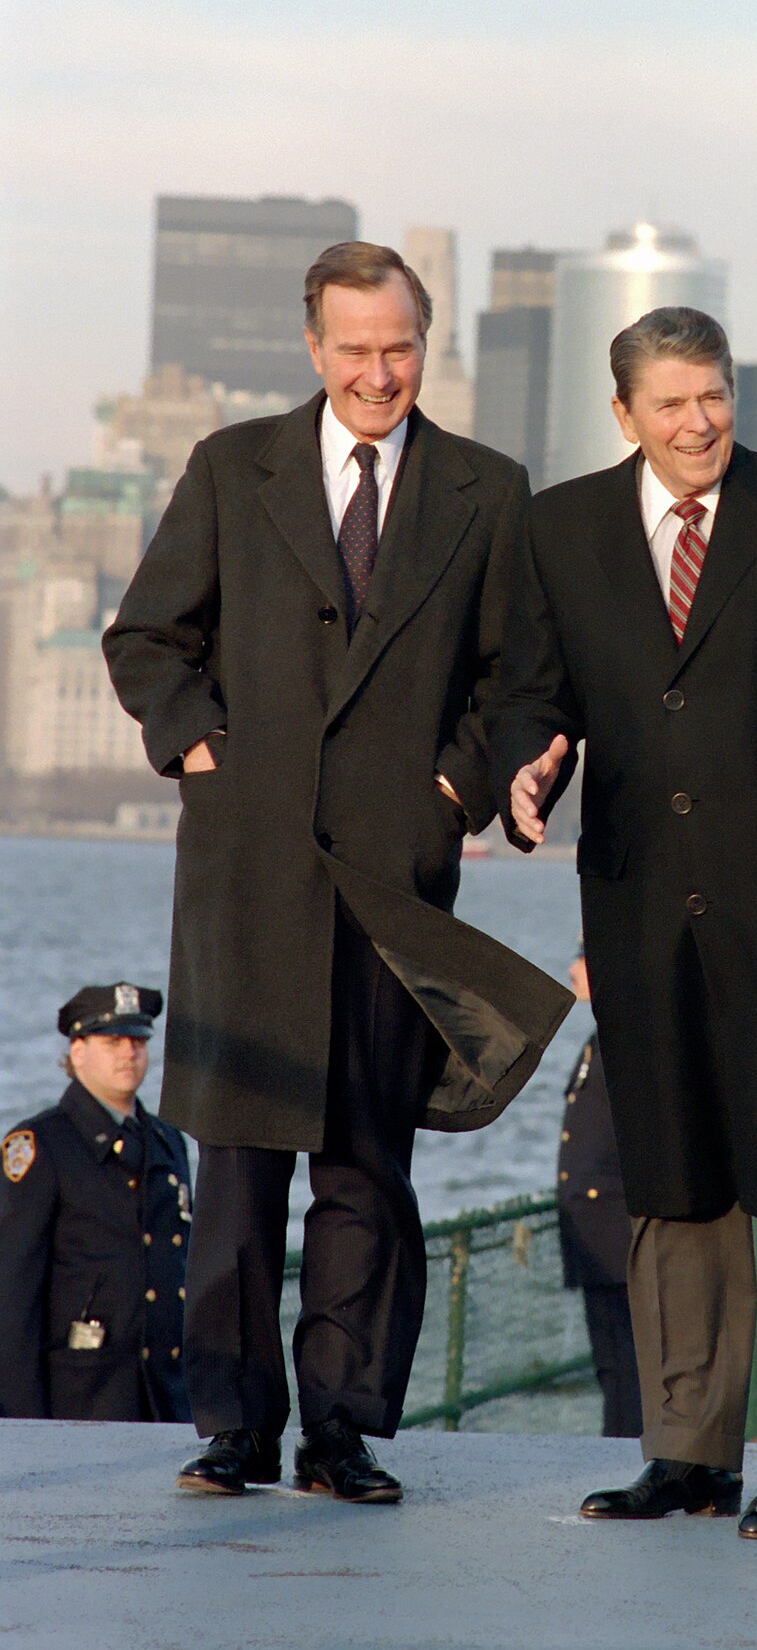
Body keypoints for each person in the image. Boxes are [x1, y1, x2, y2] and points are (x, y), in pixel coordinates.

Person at [104, 241, 570, 1503]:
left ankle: (344, 1429)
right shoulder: (228, 466)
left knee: (369, 1166)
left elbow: (518, 681)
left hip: (393, 883)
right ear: (313, 347)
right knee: (242, 1171)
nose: (378, 371)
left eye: (400, 346)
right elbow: (145, 634)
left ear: (428, 341)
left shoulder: (488, 486)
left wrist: (455, 789)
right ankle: (235, 1428)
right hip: (246, 874)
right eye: (354, 348)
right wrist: (198, 743)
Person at [490, 305, 757, 1540]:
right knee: (670, 1183)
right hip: (636, 903)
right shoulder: (558, 526)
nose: (698, 421)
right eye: (669, 403)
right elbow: (528, 690)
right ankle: (686, 1450)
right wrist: (521, 770)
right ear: (623, 414)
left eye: (712, 393)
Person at [0, 982, 192, 1422]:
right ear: (78, 1052)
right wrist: (21, 1420)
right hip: (80, 1399)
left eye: (138, 1041)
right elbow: (13, 1293)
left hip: (167, 1400)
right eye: (112, 1042)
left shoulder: (167, 1142)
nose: (129, 1053)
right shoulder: (42, 1146)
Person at [556, 951, 641, 1440]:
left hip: (613, 1226)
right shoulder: (598, 1043)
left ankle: (628, 1450)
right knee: (609, 1362)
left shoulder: (622, 1044)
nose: (572, 969)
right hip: (590, 1225)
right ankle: (618, 1445)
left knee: (627, 1360)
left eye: (584, 958)